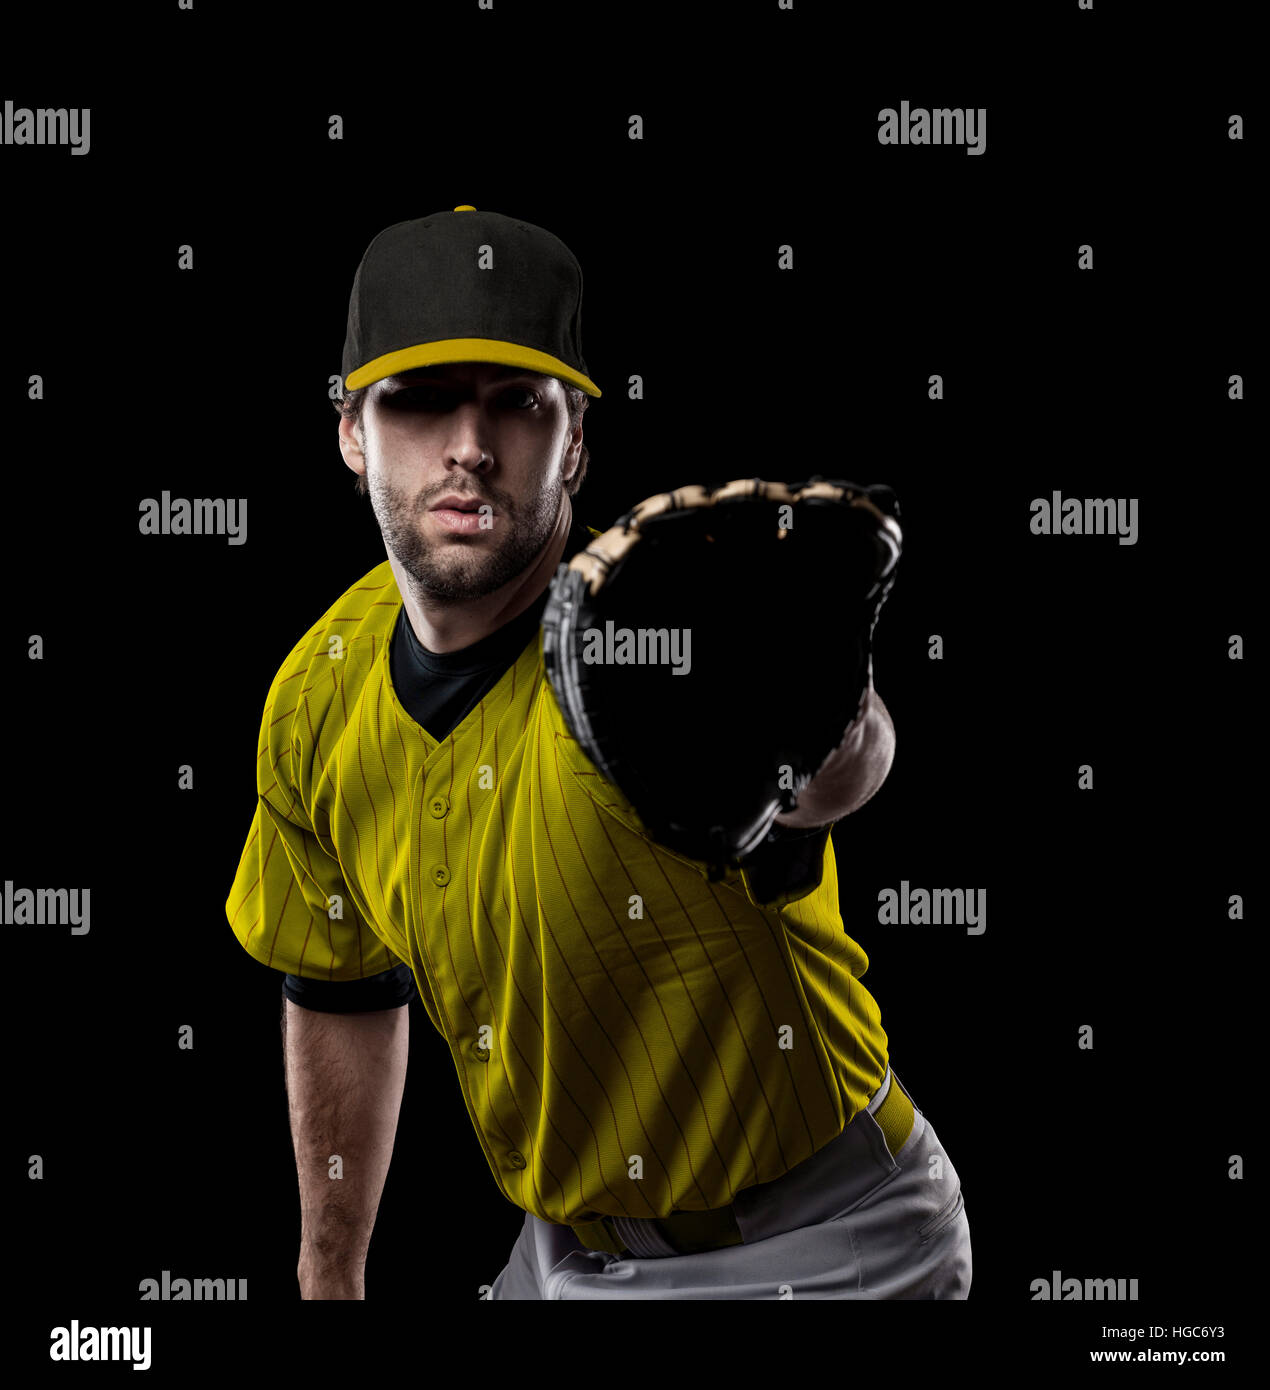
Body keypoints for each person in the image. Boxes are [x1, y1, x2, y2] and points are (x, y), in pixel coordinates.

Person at [225, 205, 972, 1299]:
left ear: (575, 438)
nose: (469, 445)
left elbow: (828, 775)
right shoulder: (316, 692)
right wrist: (329, 1275)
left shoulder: (655, 650)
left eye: (517, 404)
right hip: (565, 1249)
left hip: (816, 1246)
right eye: (422, 399)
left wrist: (835, 718)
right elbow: (339, 982)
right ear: (351, 429)